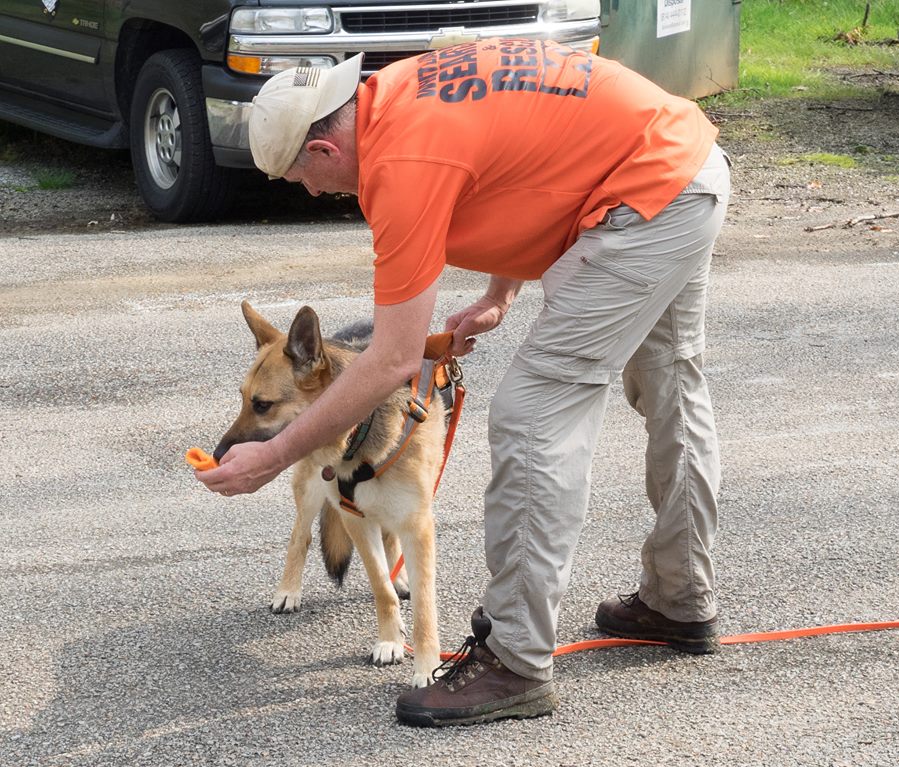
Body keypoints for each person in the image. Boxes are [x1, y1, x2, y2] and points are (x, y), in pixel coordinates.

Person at [196, 39, 730, 727]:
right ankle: (680, 599)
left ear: (325, 152)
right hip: (684, 164)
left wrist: (272, 456)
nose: (312, 191)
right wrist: (502, 291)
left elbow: (390, 361)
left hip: (646, 200)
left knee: (534, 411)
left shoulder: (400, 166)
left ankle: (514, 660)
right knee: (670, 384)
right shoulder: (399, 94)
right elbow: (531, 151)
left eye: (301, 178)